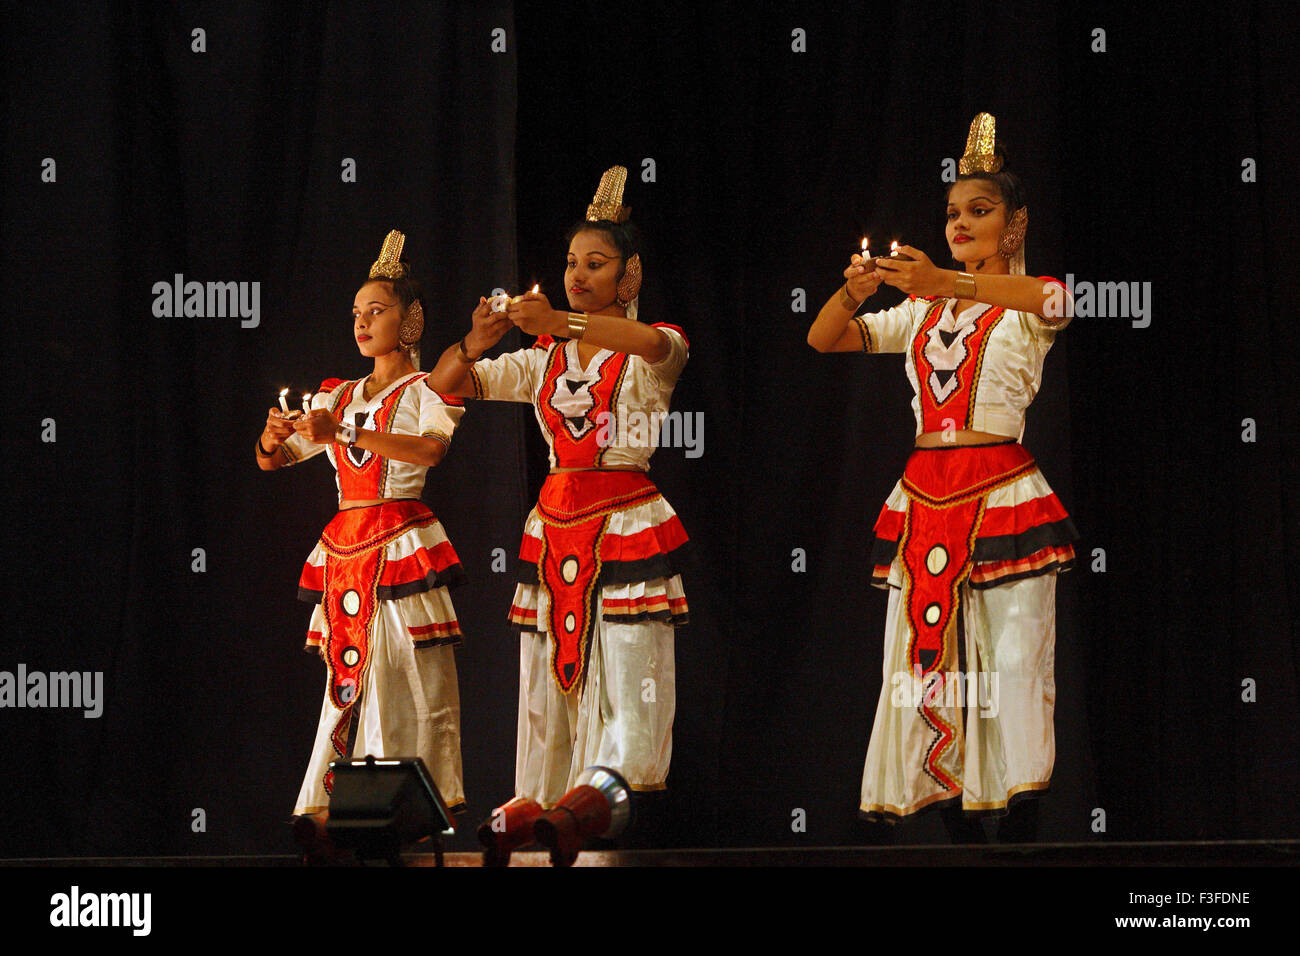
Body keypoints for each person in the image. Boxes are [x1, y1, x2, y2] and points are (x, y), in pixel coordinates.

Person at [807, 114, 1078, 844]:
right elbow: (822, 338)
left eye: (980, 212)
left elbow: (1059, 300)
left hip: (1001, 488)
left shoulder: (1026, 305)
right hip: (926, 491)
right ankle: (950, 803)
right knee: (925, 654)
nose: (960, 223)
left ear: (1014, 227)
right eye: (954, 212)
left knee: (1013, 653)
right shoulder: (924, 311)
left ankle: (1020, 808)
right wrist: (856, 290)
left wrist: (944, 279)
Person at [427, 167, 690, 853]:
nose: (578, 273)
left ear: (628, 279)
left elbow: (657, 347)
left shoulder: (654, 347)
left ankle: (604, 795)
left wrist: (562, 322)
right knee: (547, 684)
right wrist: (478, 340)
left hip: (626, 519)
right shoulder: (545, 359)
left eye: (595, 264)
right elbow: (445, 387)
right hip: (555, 530)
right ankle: (541, 805)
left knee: (626, 676)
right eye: (572, 262)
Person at [256, 231, 468, 831]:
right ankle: (326, 809)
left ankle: (394, 811)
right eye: (356, 312)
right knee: (347, 680)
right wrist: (273, 438)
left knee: (403, 678)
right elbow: (275, 460)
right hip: (347, 554)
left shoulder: (428, 390)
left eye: (377, 310)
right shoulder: (337, 396)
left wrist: (345, 434)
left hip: (401, 545)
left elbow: (429, 451)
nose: (362, 321)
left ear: (411, 319)